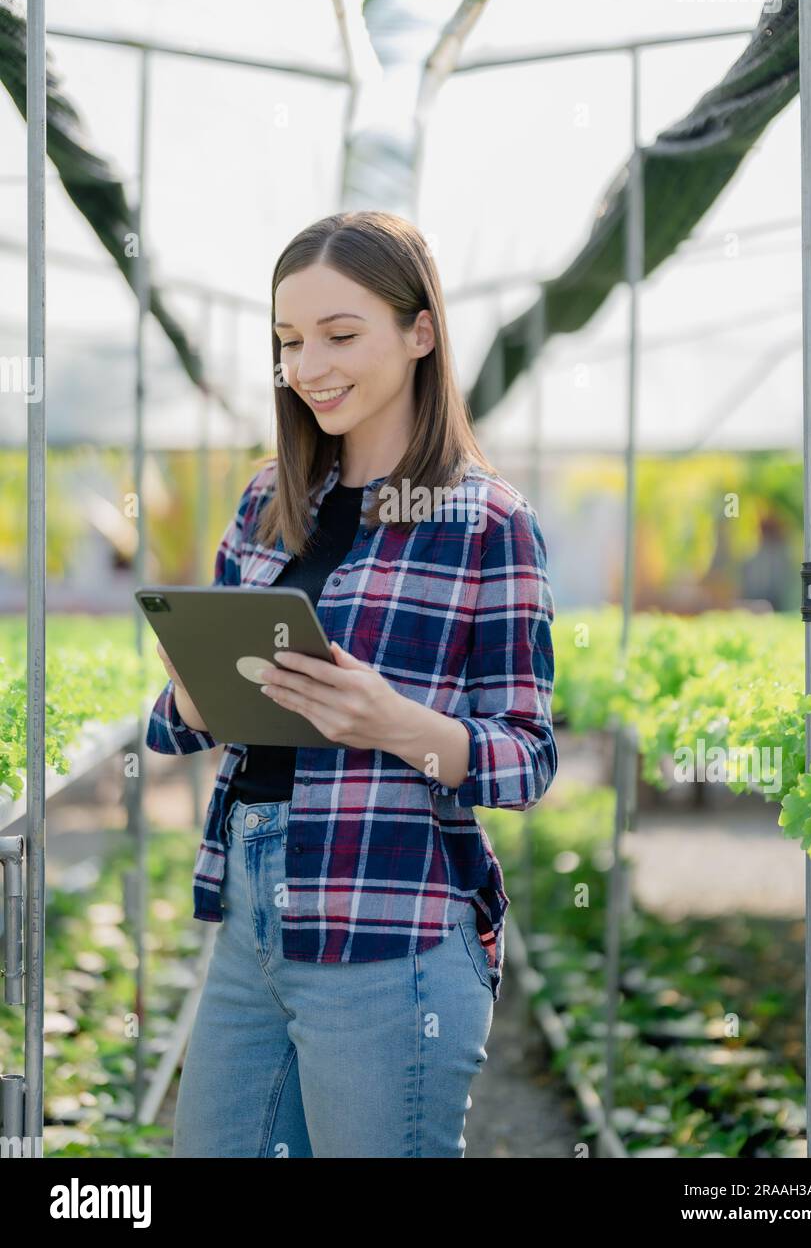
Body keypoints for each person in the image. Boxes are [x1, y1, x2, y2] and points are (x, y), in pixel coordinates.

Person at [145, 210, 558, 1158]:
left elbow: (527, 760)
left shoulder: (488, 524)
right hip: (251, 912)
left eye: (340, 334)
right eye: (290, 342)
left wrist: (399, 723)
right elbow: (184, 722)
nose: (309, 366)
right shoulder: (267, 499)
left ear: (421, 334)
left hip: (388, 929)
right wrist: (193, 704)